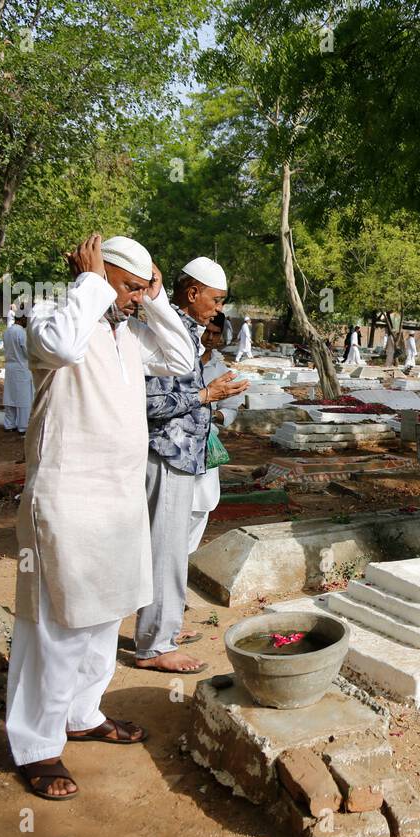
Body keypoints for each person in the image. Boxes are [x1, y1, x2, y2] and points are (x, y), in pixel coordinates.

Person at [5, 234, 195, 801]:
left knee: (106, 613)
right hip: (66, 498)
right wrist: (91, 282)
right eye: (130, 287)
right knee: (56, 624)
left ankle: (82, 714)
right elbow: (63, 347)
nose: (137, 299)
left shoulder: (127, 335)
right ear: (98, 274)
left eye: (143, 289)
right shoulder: (52, 316)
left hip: (118, 499)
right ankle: (37, 746)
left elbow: (183, 359)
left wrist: (155, 297)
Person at [135, 256, 248, 675]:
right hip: (166, 453)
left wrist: (213, 397)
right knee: (164, 550)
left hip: (182, 456)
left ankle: (163, 628)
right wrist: (206, 396)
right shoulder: (168, 333)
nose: (219, 309)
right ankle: (156, 645)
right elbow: (150, 403)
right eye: (216, 300)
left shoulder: (183, 330)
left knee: (170, 548)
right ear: (193, 292)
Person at [189, 315, 248, 554]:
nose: (210, 339)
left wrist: (214, 415)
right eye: (206, 332)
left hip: (206, 445)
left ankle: (184, 560)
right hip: (177, 443)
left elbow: (231, 410)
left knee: (201, 506)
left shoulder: (221, 369)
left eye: (215, 334)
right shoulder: (182, 360)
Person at [1, 307, 33, 434]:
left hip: (10, 366)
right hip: (21, 366)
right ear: (23, 318)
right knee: (24, 398)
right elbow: (27, 352)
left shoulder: (7, 332)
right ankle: (23, 426)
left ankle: (9, 424)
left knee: (10, 397)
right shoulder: (21, 333)